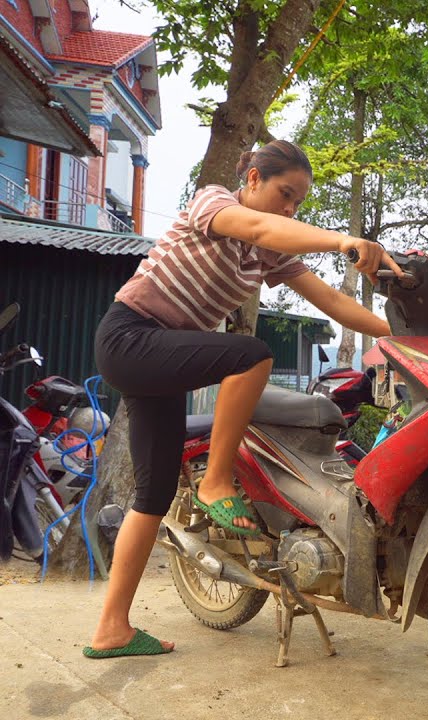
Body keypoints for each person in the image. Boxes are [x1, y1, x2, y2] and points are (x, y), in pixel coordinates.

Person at [85, 140, 400, 658]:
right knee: (251, 355)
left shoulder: (273, 252)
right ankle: (215, 481)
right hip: (130, 337)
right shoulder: (212, 202)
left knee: (152, 496)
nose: (289, 209)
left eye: (298, 202)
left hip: (157, 359)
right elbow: (258, 226)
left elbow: (336, 303)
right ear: (251, 179)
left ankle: (111, 629)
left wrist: (401, 337)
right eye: (284, 194)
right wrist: (343, 239)